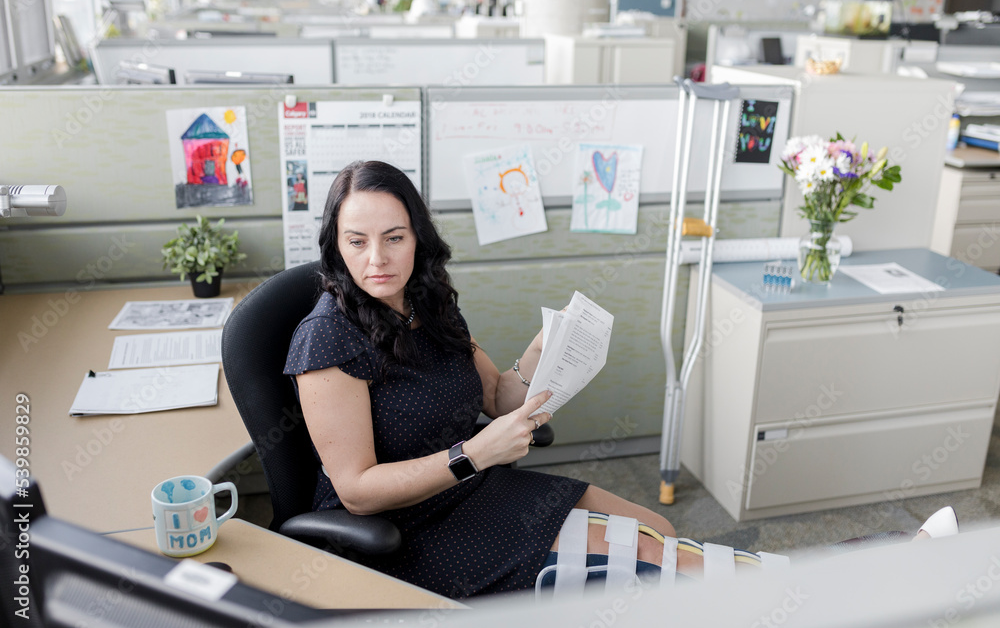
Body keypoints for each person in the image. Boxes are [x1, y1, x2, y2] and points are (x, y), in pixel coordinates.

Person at [284, 160, 957, 599]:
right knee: (663, 572)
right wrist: (474, 454)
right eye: (358, 241)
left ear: (417, 237)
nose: (378, 258)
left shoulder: (427, 300)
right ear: (334, 245)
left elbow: (496, 395)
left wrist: (543, 357)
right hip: (412, 534)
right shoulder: (327, 339)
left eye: (394, 237)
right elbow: (357, 491)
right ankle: (874, 586)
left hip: (479, 488)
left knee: (654, 526)